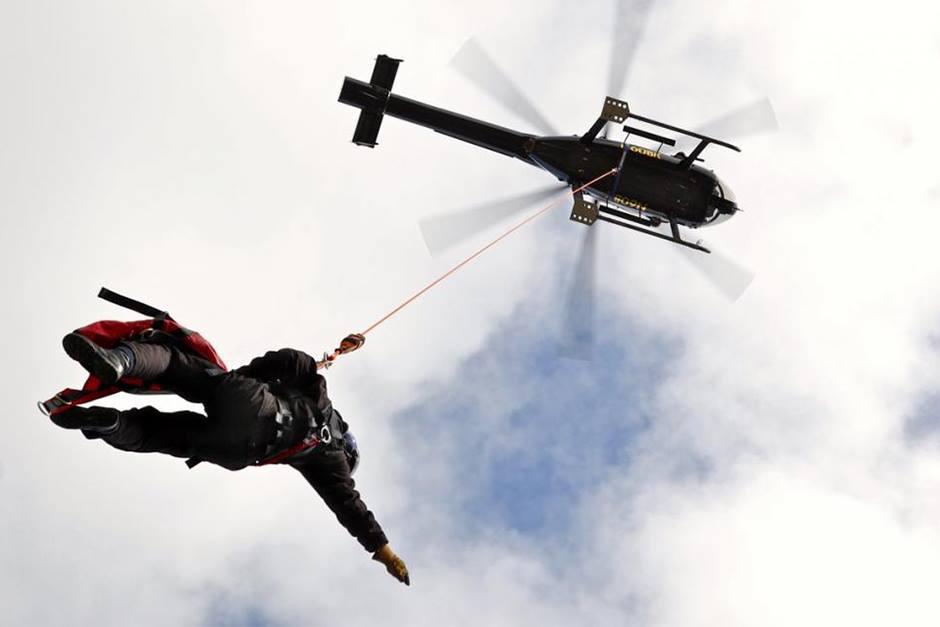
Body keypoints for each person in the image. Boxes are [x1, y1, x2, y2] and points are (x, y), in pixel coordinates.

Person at [50, 331, 410, 585]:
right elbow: (351, 508)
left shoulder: (320, 400)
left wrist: (241, 378)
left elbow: (293, 360)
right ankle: (111, 425)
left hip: (254, 403)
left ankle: (120, 360)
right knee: (161, 434)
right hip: (238, 451)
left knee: (179, 366)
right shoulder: (327, 465)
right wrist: (384, 551)